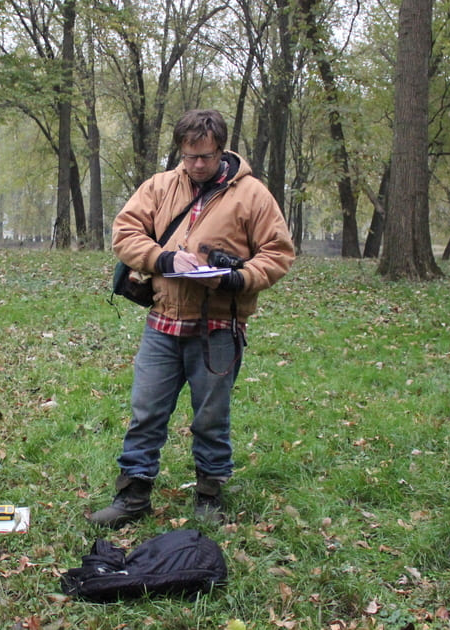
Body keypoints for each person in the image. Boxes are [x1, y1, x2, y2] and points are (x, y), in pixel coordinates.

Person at [91, 109, 295, 528]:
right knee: (146, 412)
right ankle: (132, 495)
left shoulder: (252, 195)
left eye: (205, 156)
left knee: (210, 418)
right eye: (189, 156)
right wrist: (163, 258)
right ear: (180, 151)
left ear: (221, 150)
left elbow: (278, 253)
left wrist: (237, 280)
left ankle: (209, 496)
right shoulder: (160, 186)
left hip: (218, 327)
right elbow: (125, 233)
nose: (197, 164)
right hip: (163, 322)